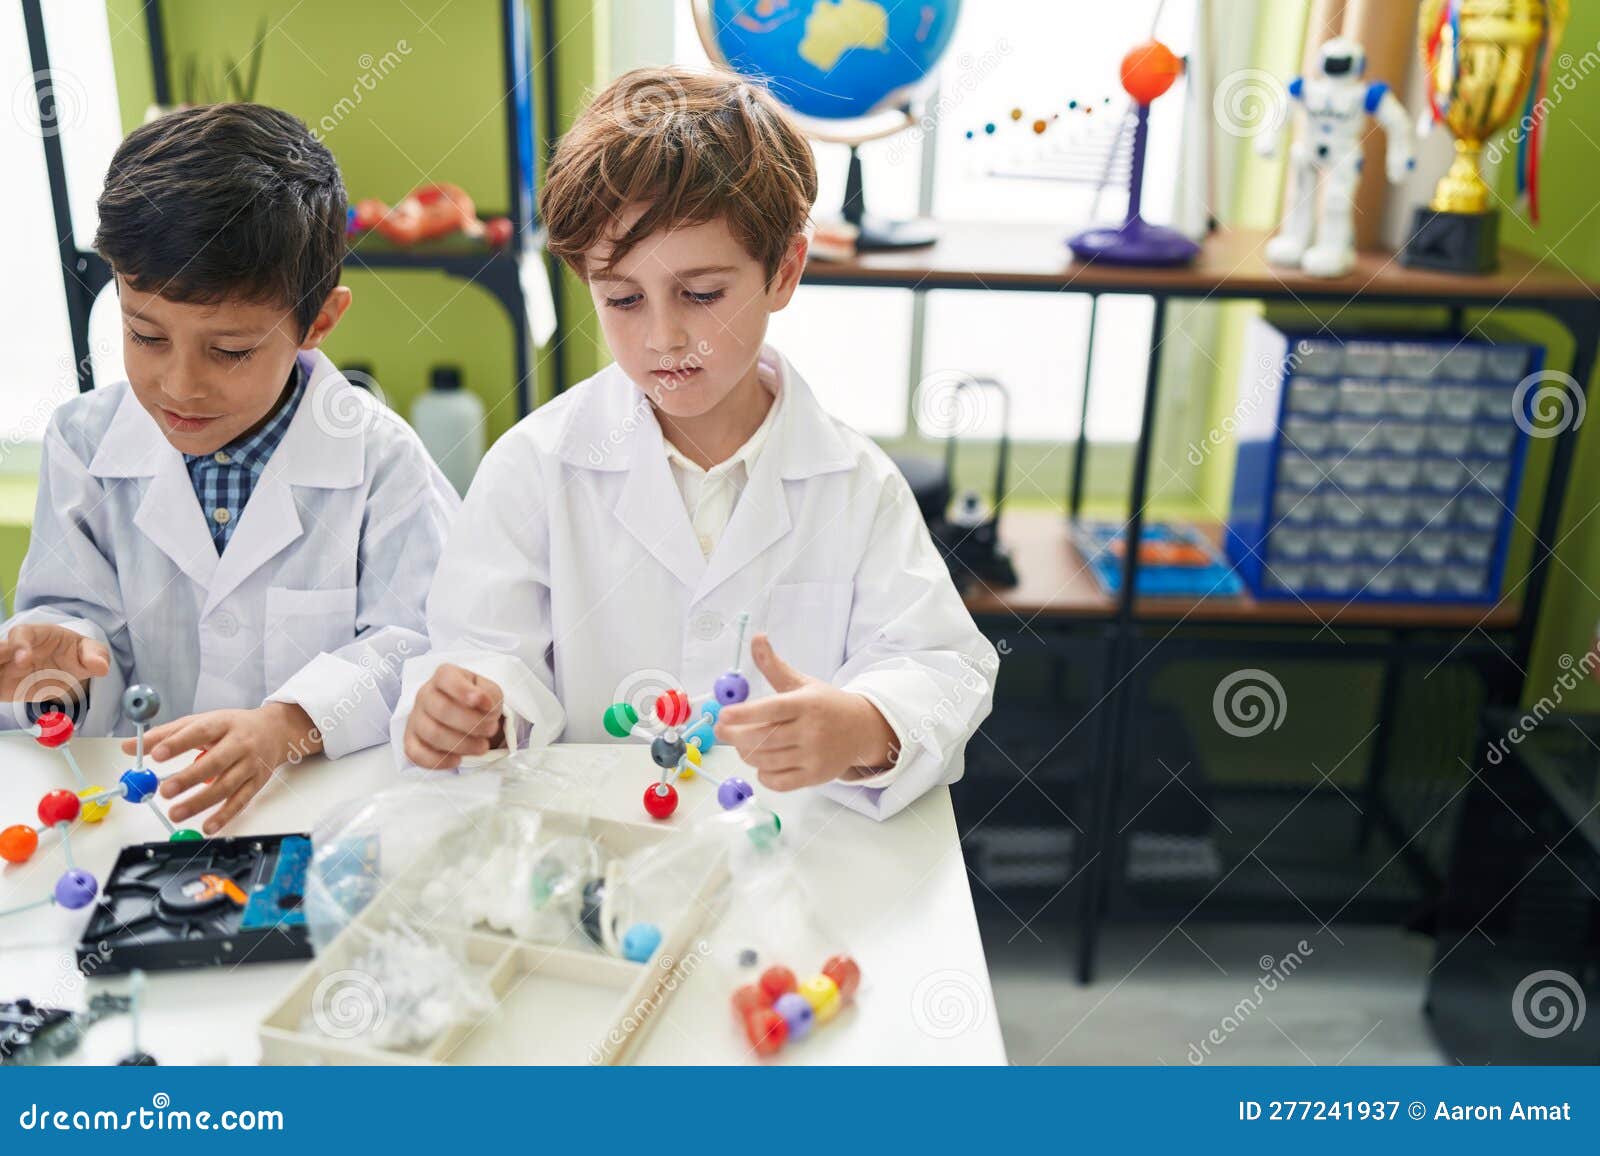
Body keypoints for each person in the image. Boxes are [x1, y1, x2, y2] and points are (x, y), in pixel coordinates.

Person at [396, 68, 995, 820]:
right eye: (621, 299)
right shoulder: (534, 467)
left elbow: (939, 665)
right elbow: (484, 651)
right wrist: (475, 712)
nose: (663, 336)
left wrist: (867, 724)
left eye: (702, 294)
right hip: (599, 853)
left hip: (794, 860)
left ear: (785, 270)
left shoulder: (856, 485)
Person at [0, 104, 457, 833]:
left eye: (231, 351)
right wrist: (56, 669)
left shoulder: (381, 460)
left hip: (318, 818)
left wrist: (287, 724)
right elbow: (80, 633)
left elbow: (423, 645)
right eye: (146, 335)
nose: (180, 384)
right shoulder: (83, 444)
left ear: (319, 322)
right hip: (139, 819)